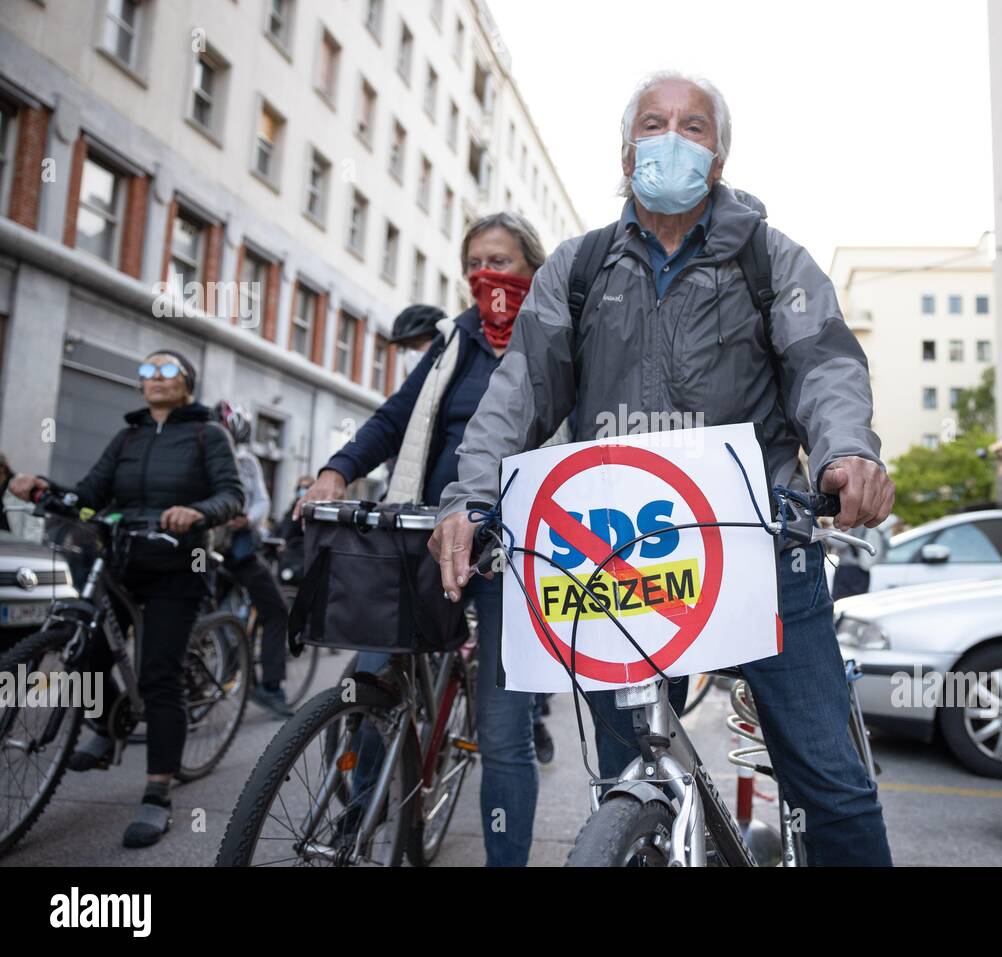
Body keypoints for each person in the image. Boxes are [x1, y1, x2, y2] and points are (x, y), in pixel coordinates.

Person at [430, 72, 895, 866]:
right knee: (630, 781)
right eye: (655, 122)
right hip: (622, 559)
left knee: (830, 784)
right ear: (626, 150)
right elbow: (518, 394)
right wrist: (469, 498)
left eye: (695, 126)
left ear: (718, 160)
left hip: (758, 551)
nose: (673, 137)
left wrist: (849, 448)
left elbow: (823, 363)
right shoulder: (577, 271)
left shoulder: (770, 259)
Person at [298, 212, 553, 866]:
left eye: (499, 260)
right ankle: (356, 821)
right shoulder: (454, 338)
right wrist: (337, 471)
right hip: (423, 530)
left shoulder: (557, 334)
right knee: (371, 679)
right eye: (473, 265)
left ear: (532, 266)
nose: (484, 275)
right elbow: (394, 419)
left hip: (513, 547)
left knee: (503, 732)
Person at [9, 350, 243, 848]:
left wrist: (194, 512)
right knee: (84, 651)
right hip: (119, 560)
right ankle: (110, 724)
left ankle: (158, 793)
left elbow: (231, 496)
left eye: (166, 371)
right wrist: (43, 489)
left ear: (187, 383)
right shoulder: (128, 435)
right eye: (147, 372)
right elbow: (91, 494)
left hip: (178, 566)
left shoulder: (208, 434)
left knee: (159, 674)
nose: (154, 379)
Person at [213, 400, 293, 718]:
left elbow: (261, 500)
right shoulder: (230, 460)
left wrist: (247, 519)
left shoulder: (248, 463)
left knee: (268, 611)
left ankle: (258, 681)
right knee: (273, 613)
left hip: (231, 552)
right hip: (216, 553)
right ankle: (263, 685)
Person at [1, 451, 42, 542]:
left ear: (2, 468)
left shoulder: (23, 486)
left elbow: (33, 527)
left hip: (15, 549)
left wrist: (27, 550)